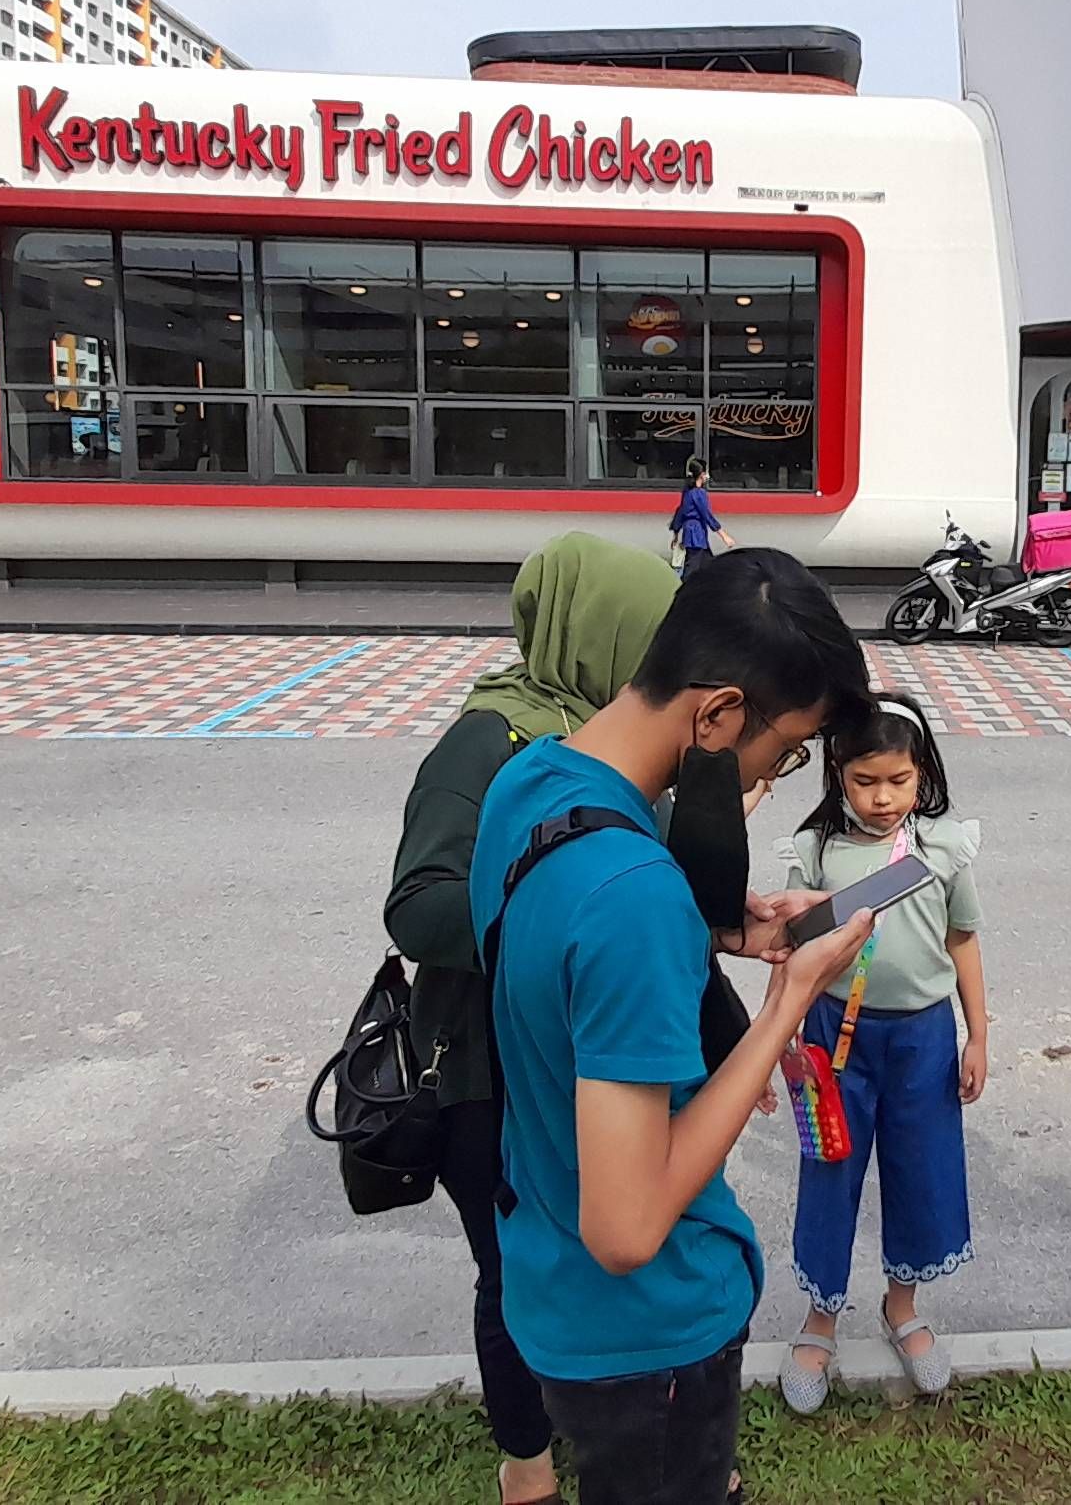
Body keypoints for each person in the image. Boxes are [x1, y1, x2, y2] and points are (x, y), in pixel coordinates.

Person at [470, 546, 876, 1505]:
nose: (776, 774)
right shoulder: (631, 900)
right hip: (642, 1333)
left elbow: (567, 942)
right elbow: (627, 1225)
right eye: (783, 752)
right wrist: (784, 1010)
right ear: (719, 713)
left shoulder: (534, 782)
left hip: (549, 1276)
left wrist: (716, 926)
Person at [385, 532, 678, 1505]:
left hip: (579, 1059)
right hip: (483, 1076)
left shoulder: (622, 740)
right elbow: (419, 902)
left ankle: (621, 1438)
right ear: (600, 632)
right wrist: (552, 920)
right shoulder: (492, 738)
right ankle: (527, 1467)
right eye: (650, 639)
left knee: (608, 1260)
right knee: (512, 1281)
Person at [773, 690, 987, 1413]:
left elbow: (963, 940)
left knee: (920, 1169)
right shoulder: (817, 852)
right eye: (866, 781)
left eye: (899, 780)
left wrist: (978, 1032)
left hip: (924, 1039)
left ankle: (904, 1305)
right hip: (832, 1040)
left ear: (922, 772)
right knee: (828, 1166)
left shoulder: (942, 849)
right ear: (837, 774)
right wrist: (779, 1039)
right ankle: (820, 1320)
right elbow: (791, 952)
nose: (883, 796)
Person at [668, 456, 731, 576]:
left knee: (708, 566)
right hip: (696, 534)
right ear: (702, 474)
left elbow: (680, 512)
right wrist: (724, 536)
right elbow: (706, 514)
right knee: (692, 567)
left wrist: (676, 533)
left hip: (693, 533)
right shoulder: (699, 493)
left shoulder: (687, 492)